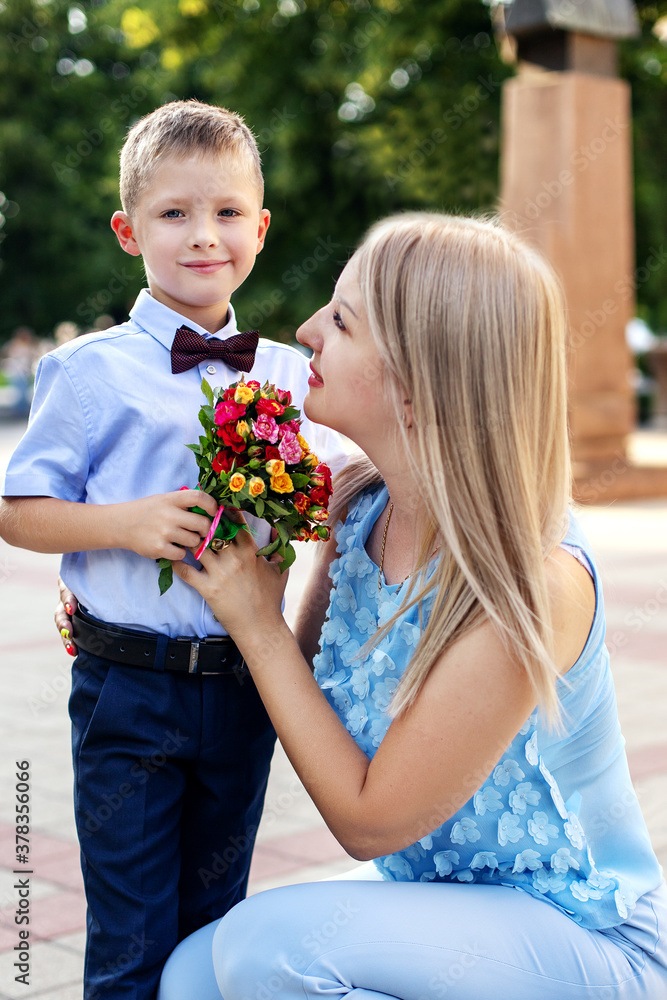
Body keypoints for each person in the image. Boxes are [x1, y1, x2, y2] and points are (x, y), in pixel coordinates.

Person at [155, 212, 667, 999]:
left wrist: (254, 618)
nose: (305, 331)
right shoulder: (359, 511)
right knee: (191, 973)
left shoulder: (527, 586)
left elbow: (370, 823)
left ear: (420, 383)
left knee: (268, 951)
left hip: (586, 936)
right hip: (457, 918)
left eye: (341, 321)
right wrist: (120, 611)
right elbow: (287, 700)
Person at [0, 100, 345, 1000]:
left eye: (227, 213)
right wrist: (123, 523)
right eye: (174, 214)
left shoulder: (289, 374)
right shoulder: (87, 371)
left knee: (214, 929)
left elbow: (340, 480)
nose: (204, 237)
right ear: (128, 231)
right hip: (129, 689)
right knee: (129, 935)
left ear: (261, 229)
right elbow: (20, 510)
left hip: (243, 682)